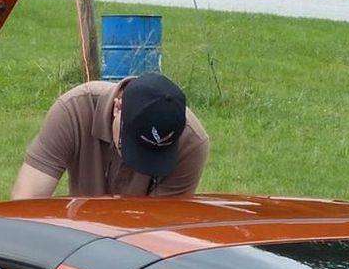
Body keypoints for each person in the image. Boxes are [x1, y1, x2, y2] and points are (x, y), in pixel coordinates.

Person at [11, 72, 210, 200]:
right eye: (130, 147)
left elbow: (160, 230)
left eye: (152, 159)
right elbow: (25, 203)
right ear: (117, 108)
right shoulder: (73, 110)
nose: (137, 163)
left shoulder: (191, 143)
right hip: (79, 238)